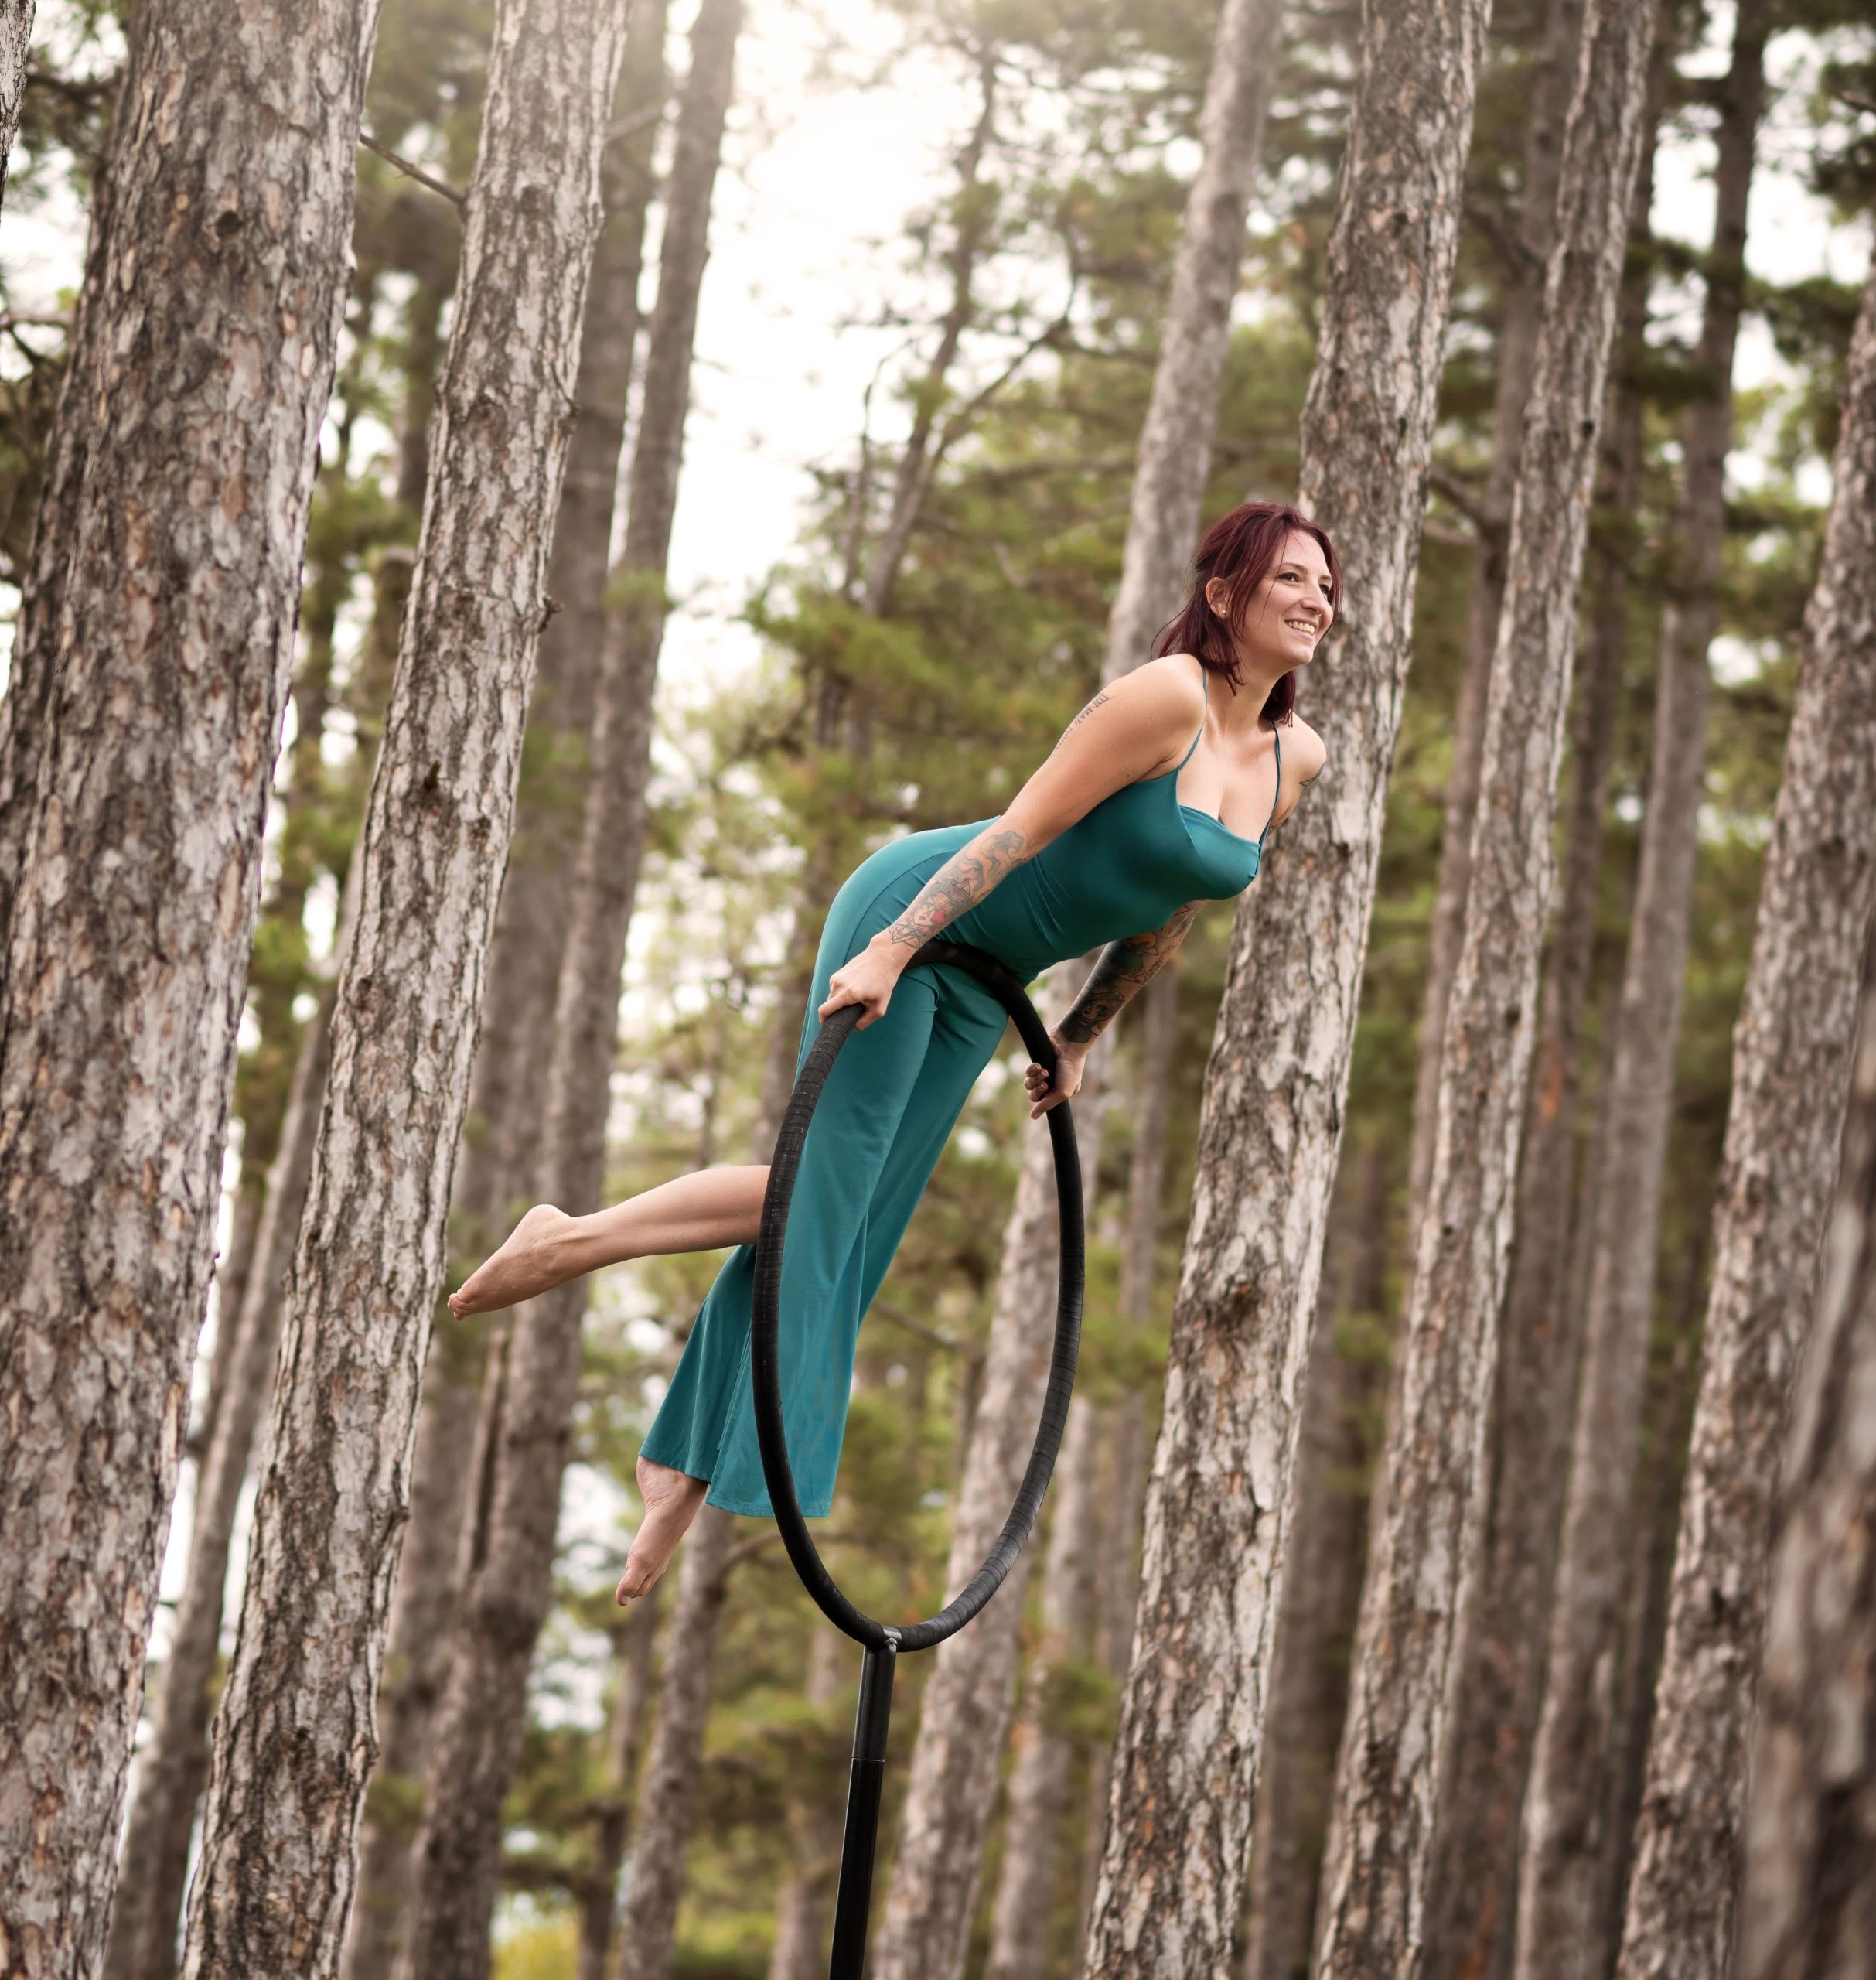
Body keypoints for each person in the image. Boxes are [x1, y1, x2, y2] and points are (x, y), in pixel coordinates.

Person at [448, 500, 1338, 1603]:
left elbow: (1173, 904)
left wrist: (1076, 1033)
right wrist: (891, 948)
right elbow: (1018, 830)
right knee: (828, 1190)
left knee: (854, 1214)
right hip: (922, 917)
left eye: (1326, 587)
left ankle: (679, 1437)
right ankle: (580, 1251)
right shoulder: (1166, 699)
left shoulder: (1294, 757)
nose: (1316, 601)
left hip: (991, 980)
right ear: (1224, 595)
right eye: (1292, 579)